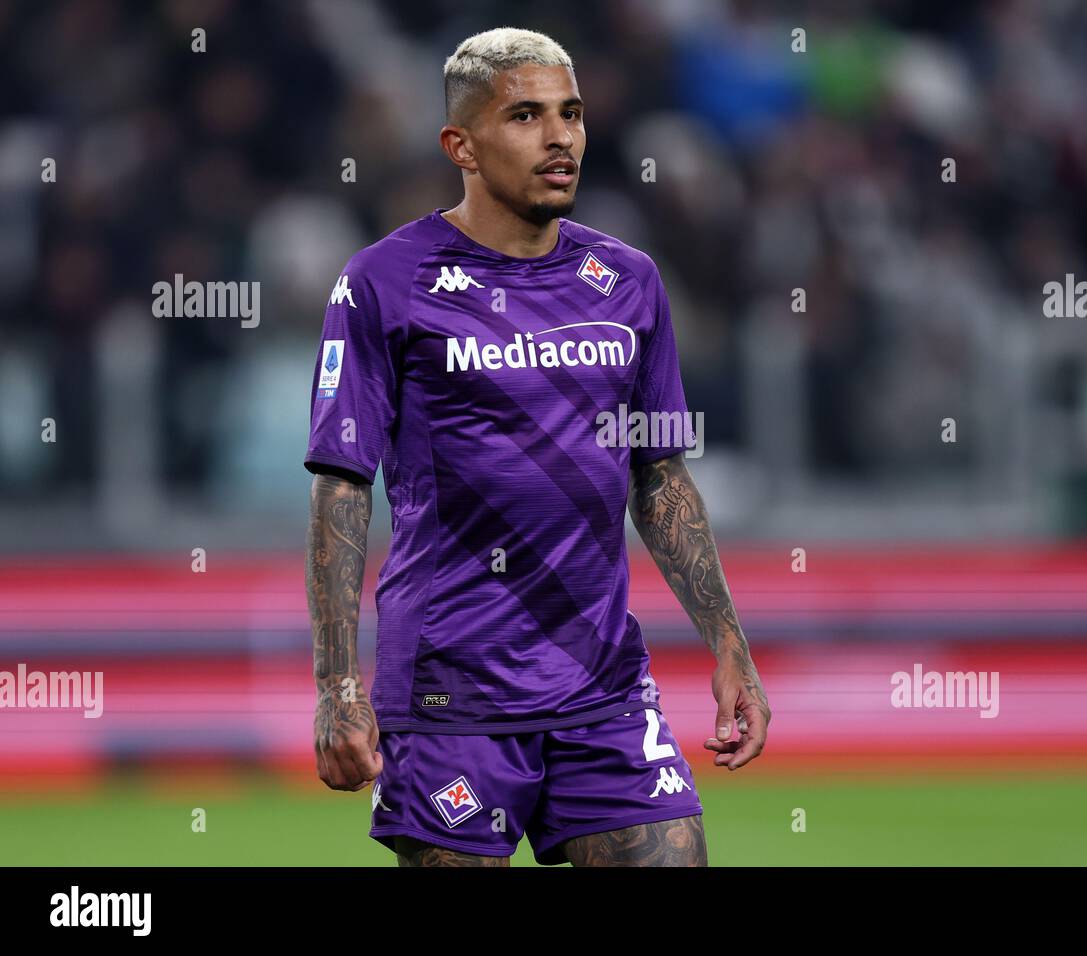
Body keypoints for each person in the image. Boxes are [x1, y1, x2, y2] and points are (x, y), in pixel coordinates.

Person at [304, 26, 769, 867]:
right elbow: (341, 487)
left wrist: (729, 645)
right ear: (462, 145)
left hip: (604, 689)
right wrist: (338, 686)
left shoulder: (630, 281)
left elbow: (660, 475)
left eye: (572, 113)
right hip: (452, 692)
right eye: (525, 116)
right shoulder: (383, 282)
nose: (560, 138)